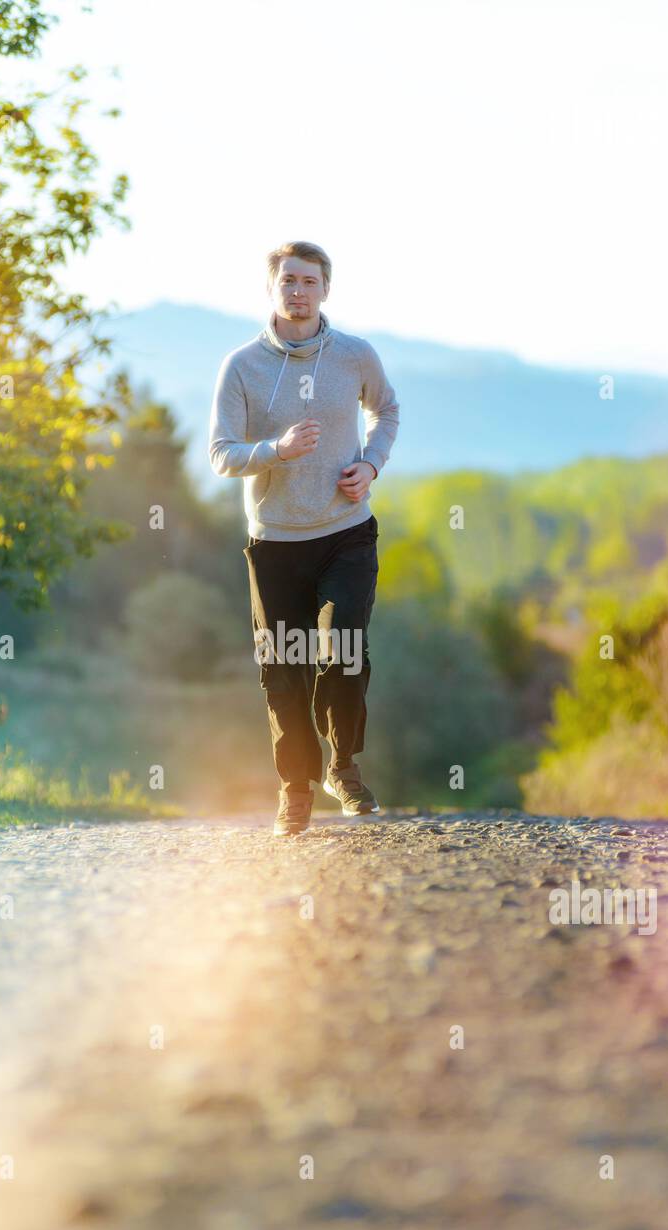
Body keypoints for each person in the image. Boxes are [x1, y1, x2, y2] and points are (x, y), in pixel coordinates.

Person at [209, 240, 400, 835]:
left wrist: (370, 465)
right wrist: (277, 451)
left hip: (345, 533)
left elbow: (387, 410)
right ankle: (296, 787)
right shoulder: (241, 366)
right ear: (273, 288)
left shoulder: (353, 356)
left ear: (325, 289)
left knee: (343, 646)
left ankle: (343, 767)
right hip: (274, 542)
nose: (298, 290)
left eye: (309, 281)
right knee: (282, 665)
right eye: (288, 279)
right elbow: (221, 453)